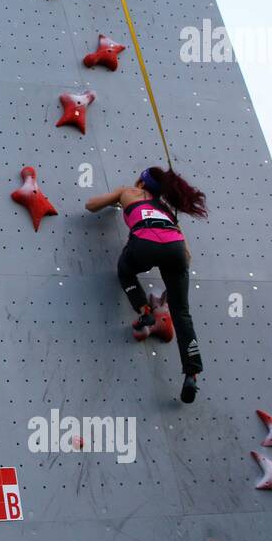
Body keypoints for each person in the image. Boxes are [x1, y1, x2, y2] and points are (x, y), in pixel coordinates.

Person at [85, 166, 207, 403]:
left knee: (125, 270)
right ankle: (192, 372)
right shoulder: (168, 210)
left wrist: (117, 201)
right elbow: (187, 254)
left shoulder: (129, 191)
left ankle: (144, 311)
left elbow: (91, 205)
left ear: (141, 183)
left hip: (145, 244)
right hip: (176, 249)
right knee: (182, 313)